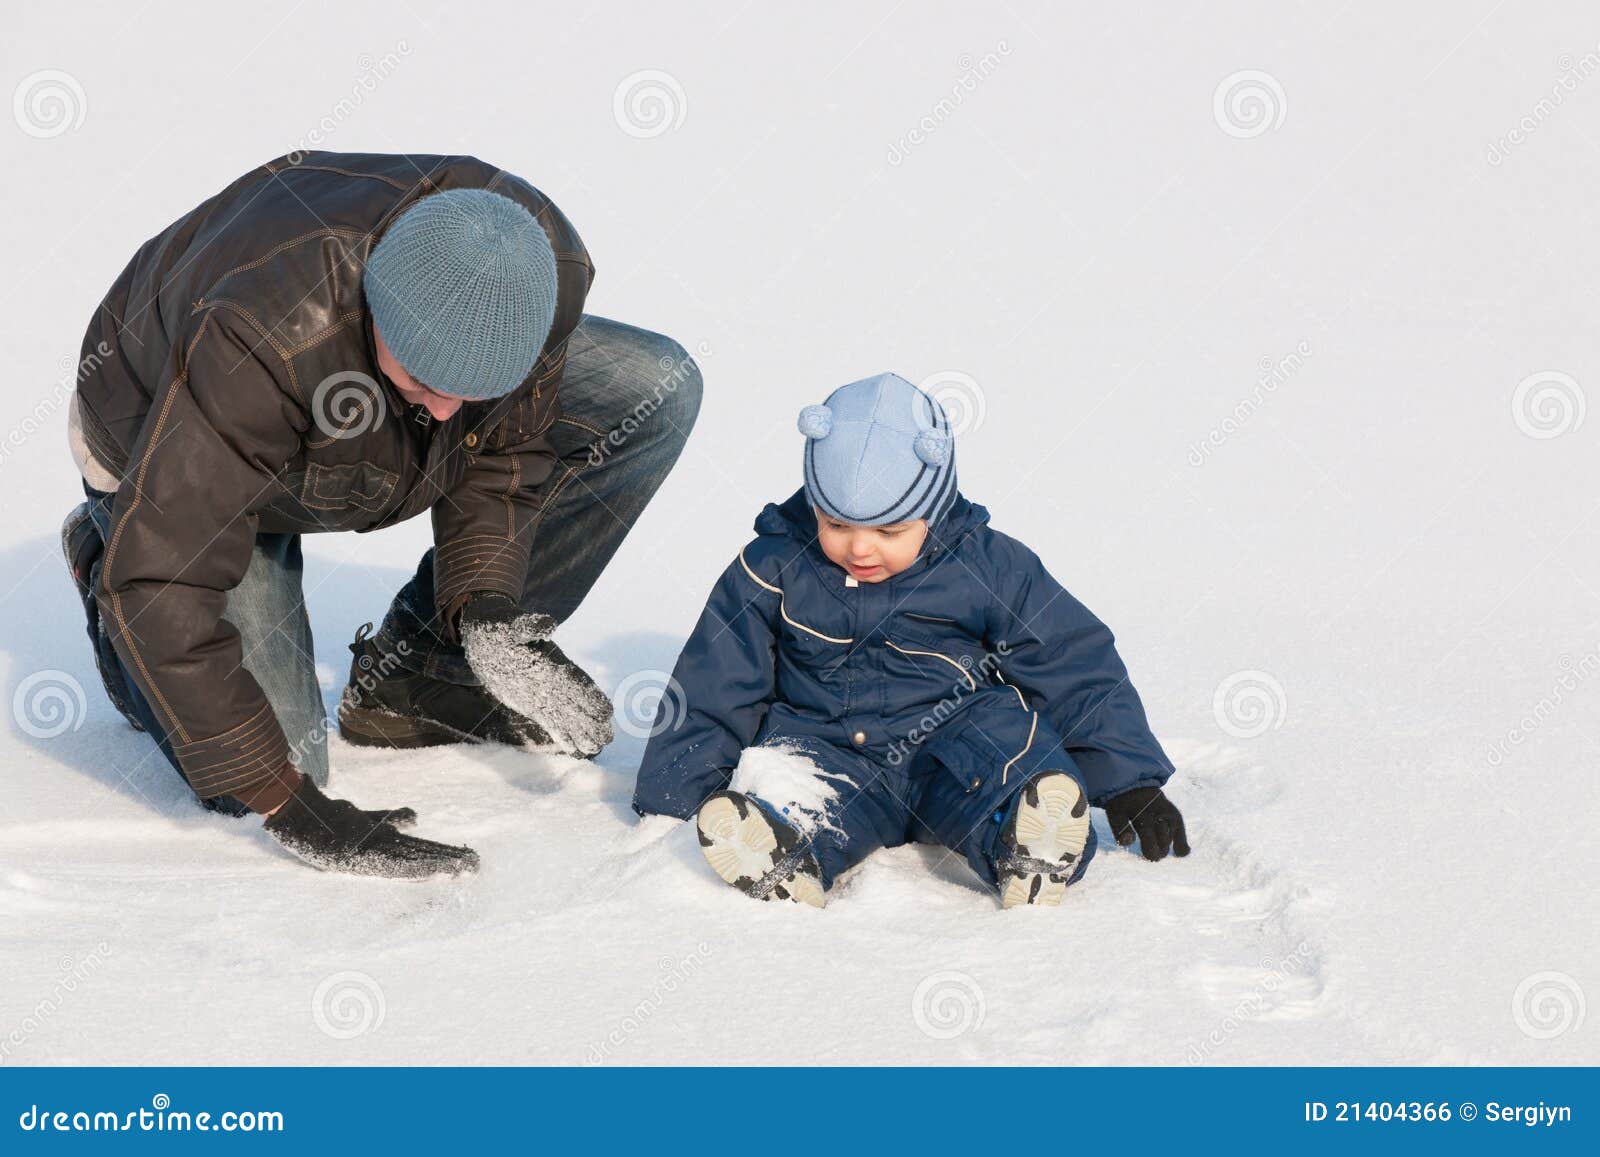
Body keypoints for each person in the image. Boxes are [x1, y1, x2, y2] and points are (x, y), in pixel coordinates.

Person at [60, 152, 701, 879]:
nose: (447, 412)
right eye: (427, 380)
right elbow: (163, 578)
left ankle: (421, 675)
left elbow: (506, 448)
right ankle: (104, 566)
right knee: (269, 764)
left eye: (476, 390)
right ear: (378, 311)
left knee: (655, 388)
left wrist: (485, 609)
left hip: (318, 422)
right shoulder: (261, 335)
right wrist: (289, 804)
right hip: (161, 432)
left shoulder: (529, 274)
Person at [632, 372, 1186, 908]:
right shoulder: (774, 566)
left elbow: (1069, 659)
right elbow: (717, 678)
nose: (860, 549)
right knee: (791, 781)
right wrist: (675, 800)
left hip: (952, 742)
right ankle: (786, 846)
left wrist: (1129, 781)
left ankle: (1026, 838)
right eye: (836, 525)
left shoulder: (987, 564)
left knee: (1011, 746)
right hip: (829, 747)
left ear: (934, 506)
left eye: (890, 531)